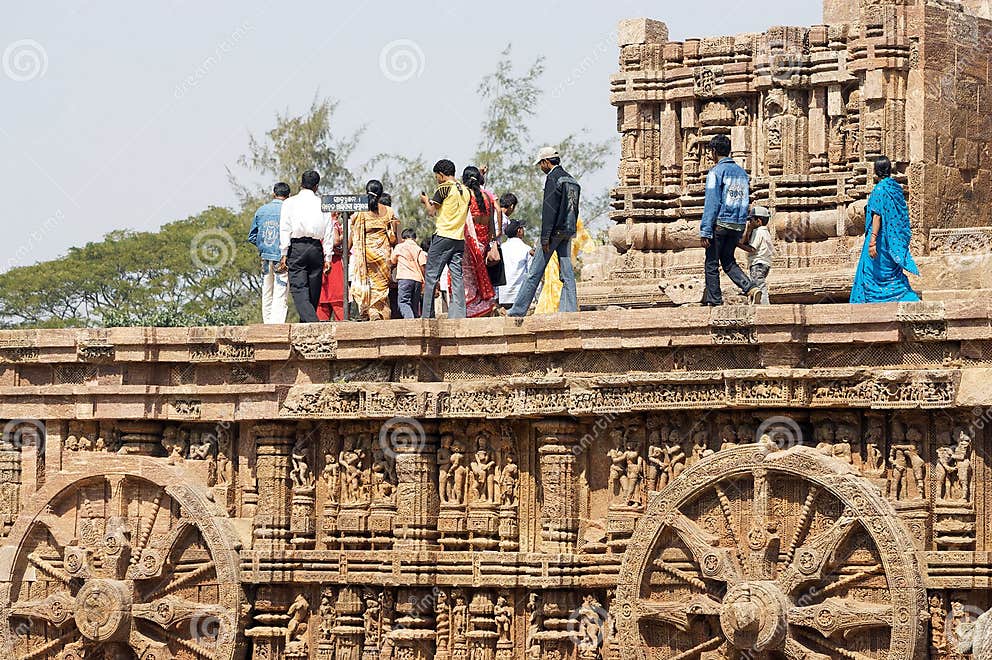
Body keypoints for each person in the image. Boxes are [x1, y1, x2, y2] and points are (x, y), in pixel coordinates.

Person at [507, 147, 581, 317]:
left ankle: (517, 310)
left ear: (546, 162)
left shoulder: (552, 178)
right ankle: (569, 311)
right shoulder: (572, 180)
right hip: (567, 231)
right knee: (567, 273)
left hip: (553, 232)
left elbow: (549, 210)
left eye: (541, 164)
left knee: (534, 272)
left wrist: (545, 237)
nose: (541, 167)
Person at [699, 135, 761, 306]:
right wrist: (742, 226)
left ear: (713, 151)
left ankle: (715, 300)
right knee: (727, 260)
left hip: (720, 224)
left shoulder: (716, 172)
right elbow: (745, 201)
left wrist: (705, 230)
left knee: (711, 262)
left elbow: (712, 202)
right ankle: (750, 288)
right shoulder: (742, 174)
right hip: (737, 224)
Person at [851, 156, 921, 303]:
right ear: (889, 170)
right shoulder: (895, 188)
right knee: (891, 274)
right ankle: (904, 296)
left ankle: (873, 303)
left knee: (872, 271)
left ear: (876, 171)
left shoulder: (880, 189)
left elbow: (877, 216)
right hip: (891, 239)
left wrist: (872, 241)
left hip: (879, 238)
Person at [279, 170, 335, 323]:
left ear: (300, 184)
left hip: (297, 247)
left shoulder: (289, 203)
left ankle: (312, 323)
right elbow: (329, 230)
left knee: (299, 288)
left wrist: (284, 253)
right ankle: (306, 323)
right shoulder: (322, 203)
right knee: (313, 288)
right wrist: (328, 256)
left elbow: (284, 228)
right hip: (316, 248)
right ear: (316, 187)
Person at [421, 159, 470, 319]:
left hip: (443, 235)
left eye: (437, 176)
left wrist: (426, 201)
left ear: (441, 175)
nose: (437, 179)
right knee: (457, 276)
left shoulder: (443, 189)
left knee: (431, 275)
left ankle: (427, 316)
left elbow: (431, 212)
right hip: (459, 238)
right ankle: (459, 315)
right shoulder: (465, 190)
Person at [350, 180, 399, 321]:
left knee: (369, 285)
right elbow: (393, 238)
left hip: (367, 255)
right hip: (383, 256)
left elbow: (353, 234)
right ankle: (382, 312)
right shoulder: (389, 211)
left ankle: (373, 312)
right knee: (382, 287)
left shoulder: (360, 213)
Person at [460, 166, 500, 318]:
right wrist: (490, 241)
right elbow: (491, 223)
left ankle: (472, 309)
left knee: (467, 276)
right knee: (478, 274)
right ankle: (484, 305)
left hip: (469, 242)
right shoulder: (488, 197)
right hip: (483, 242)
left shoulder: (465, 196)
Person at [248, 182, 290, 324]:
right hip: (282, 256)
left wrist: (262, 246)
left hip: (265, 256)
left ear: (274, 194)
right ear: (288, 196)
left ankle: (267, 322)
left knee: (267, 289)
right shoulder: (288, 210)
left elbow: (252, 236)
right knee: (281, 289)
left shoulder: (261, 210)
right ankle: (277, 323)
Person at [535, 217, 593, 314]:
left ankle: (559, 307)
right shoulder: (570, 214)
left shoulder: (567, 214)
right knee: (557, 279)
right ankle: (561, 307)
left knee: (559, 279)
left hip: (558, 246)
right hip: (558, 248)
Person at [738, 205, 774, 305]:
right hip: (765, 263)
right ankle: (759, 303)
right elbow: (746, 242)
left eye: (751, 220)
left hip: (758, 263)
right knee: (756, 284)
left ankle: (765, 306)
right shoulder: (765, 232)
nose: (749, 223)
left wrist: (737, 244)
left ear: (758, 221)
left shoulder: (759, 231)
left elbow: (752, 248)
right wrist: (748, 230)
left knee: (759, 285)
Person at [391, 228, 428, 319]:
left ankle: (410, 322)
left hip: (404, 278)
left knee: (403, 302)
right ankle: (416, 327)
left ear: (403, 238)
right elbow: (423, 265)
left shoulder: (399, 247)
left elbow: (393, 260)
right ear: (414, 238)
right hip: (417, 280)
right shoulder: (419, 249)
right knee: (414, 305)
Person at [316, 211, 345, 322]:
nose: (337, 213)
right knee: (337, 301)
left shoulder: (318, 225)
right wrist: (345, 234)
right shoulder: (332, 223)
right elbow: (335, 240)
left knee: (322, 302)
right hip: (332, 263)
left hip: (322, 263)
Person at [499, 220, 533, 308]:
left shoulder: (501, 248)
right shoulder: (526, 249)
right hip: (519, 296)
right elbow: (531, 273)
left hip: (502, 297)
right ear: (519, 231)